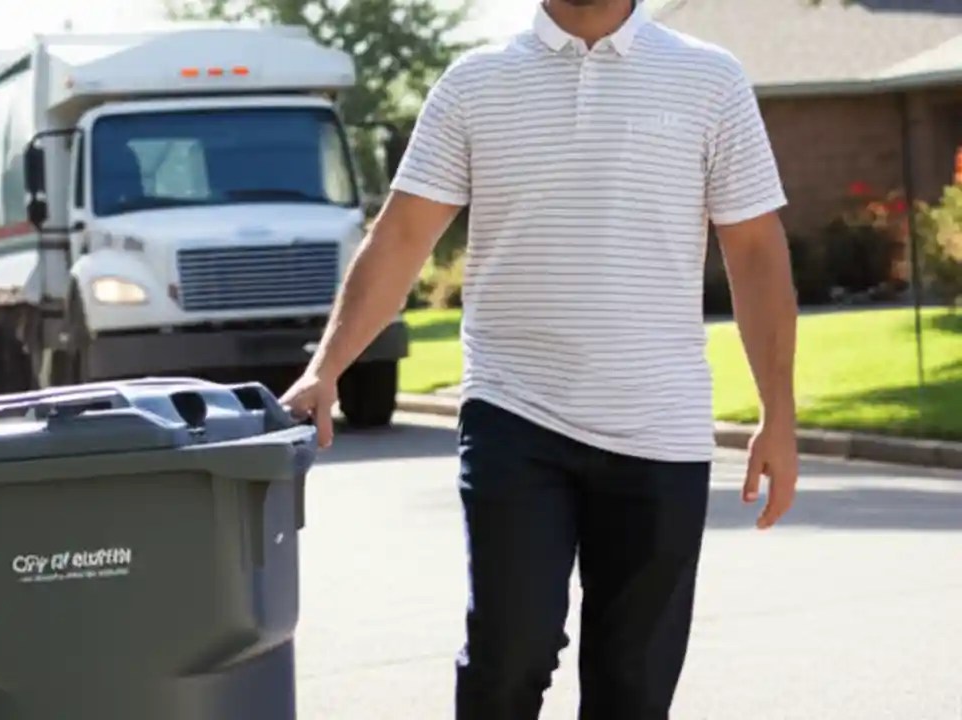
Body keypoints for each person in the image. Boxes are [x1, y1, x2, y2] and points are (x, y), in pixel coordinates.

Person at [279, 0, 800, 717]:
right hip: (515, 414)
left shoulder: (709, 78)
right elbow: (401, 238)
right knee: (508, 656)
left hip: (661, 427)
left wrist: (778, 411)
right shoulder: (474, 82)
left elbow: (755, 249)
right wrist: (327, 365)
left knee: (633, 687)